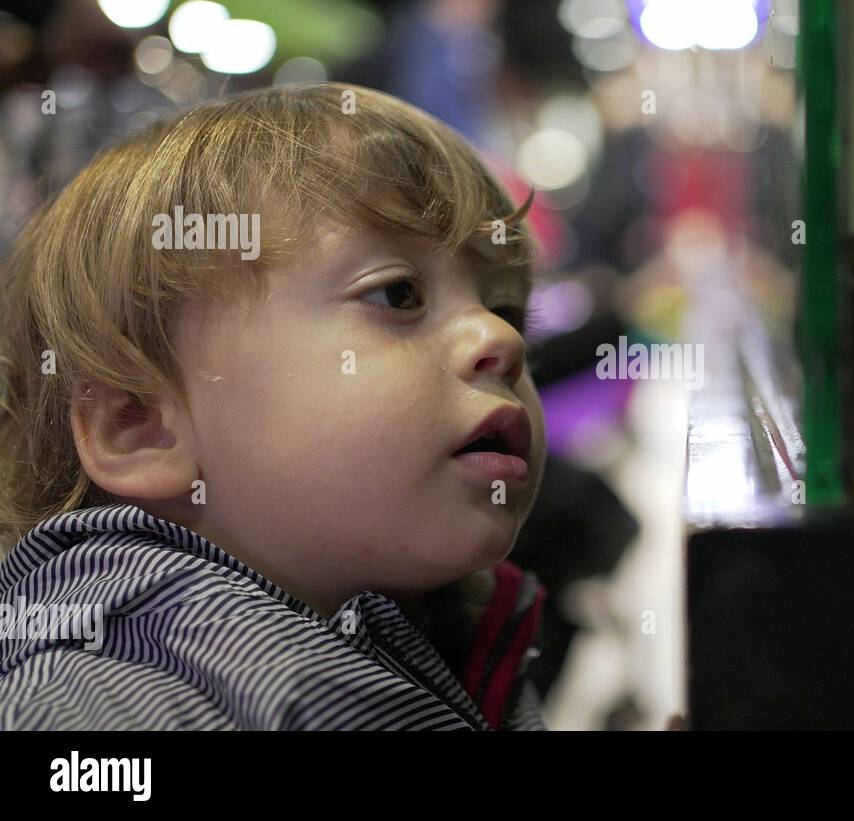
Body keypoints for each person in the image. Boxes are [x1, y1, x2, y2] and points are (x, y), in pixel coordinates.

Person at [0, 83, 549, 730]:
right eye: (397, 294)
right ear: (139, 424)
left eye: (505, 308)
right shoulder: (92, 710)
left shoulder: (462, 642)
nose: (500, 338)